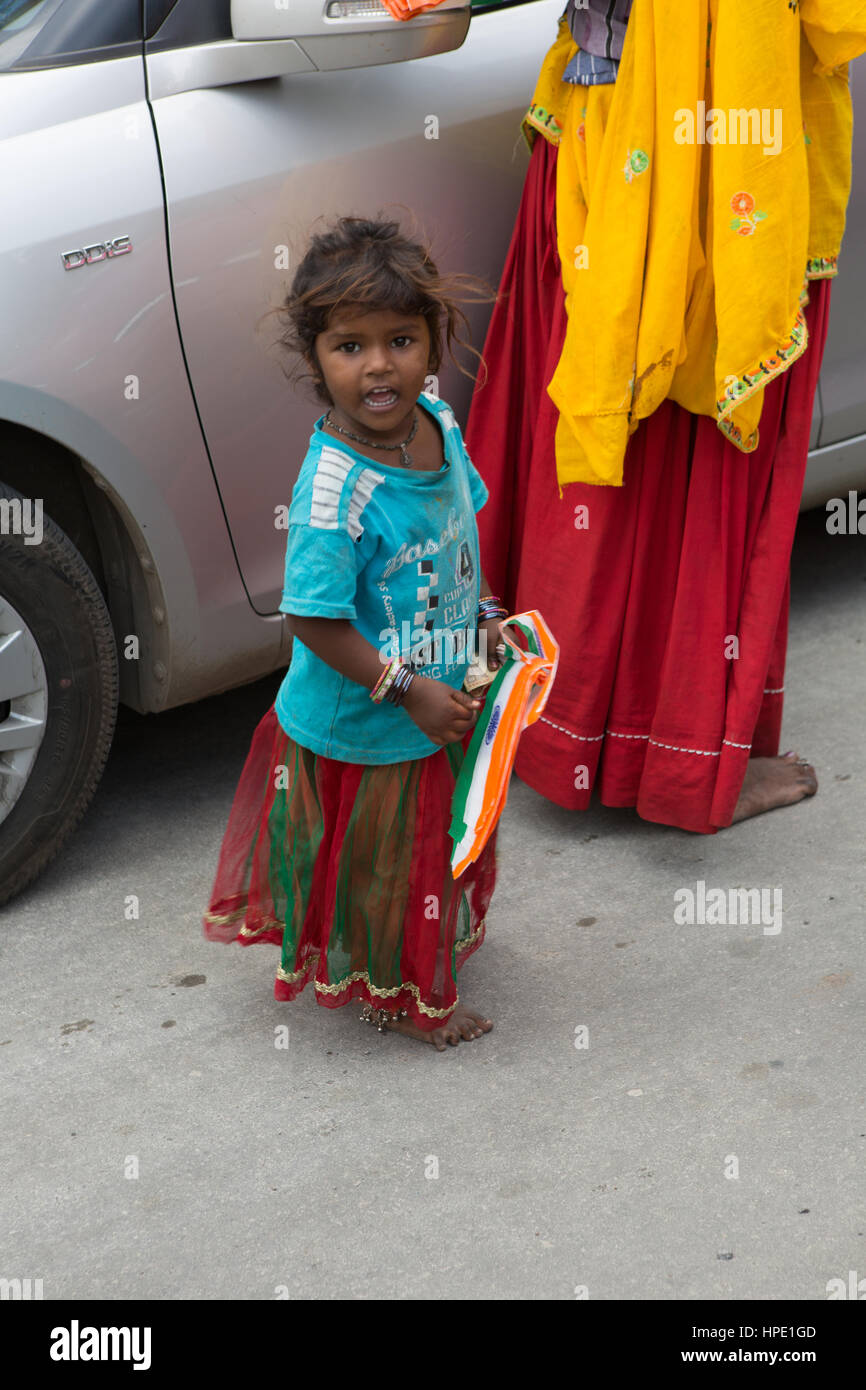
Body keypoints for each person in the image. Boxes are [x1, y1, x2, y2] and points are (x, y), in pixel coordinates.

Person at [464, 0, 865, 834]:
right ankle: (680, 759)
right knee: (687, 457)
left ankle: (588, 736)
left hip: (642, 149)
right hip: (695, 175)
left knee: (622, 451)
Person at [203, 215, 505, 1050]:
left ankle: (411, 954)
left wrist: (483, 619)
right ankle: (397, 995)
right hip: (369, 714)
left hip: (440, 690)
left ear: (433, 341)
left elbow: (461, 531)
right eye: (350, 346)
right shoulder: (335, 489)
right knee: (385, 863)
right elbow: (312, 616)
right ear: (317, 359)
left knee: (432, 844)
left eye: (401, 339)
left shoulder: (437, 423)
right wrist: (405, 690)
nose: (379, 365)